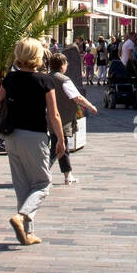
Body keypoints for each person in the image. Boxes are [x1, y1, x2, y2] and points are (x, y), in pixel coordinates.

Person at [0, 38, 65, 245]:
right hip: (34, 136)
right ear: (38, 56)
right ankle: (22, 215)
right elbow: (54, 115)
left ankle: (28, 233)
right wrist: (61, 139)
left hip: (11, 135)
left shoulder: (10, 79)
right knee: (43, 183)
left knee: (22, 184)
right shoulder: (45, 81)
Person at [47, 52, 97, 185]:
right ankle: (49, 173)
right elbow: (77, 97)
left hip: (48, 118)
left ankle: (67, 174)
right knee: (60, 146)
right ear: (62, 65)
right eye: (66, 63)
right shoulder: (64, 80)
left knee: (58, 145)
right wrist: (90, 106)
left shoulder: (46, 78)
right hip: (63, 118)